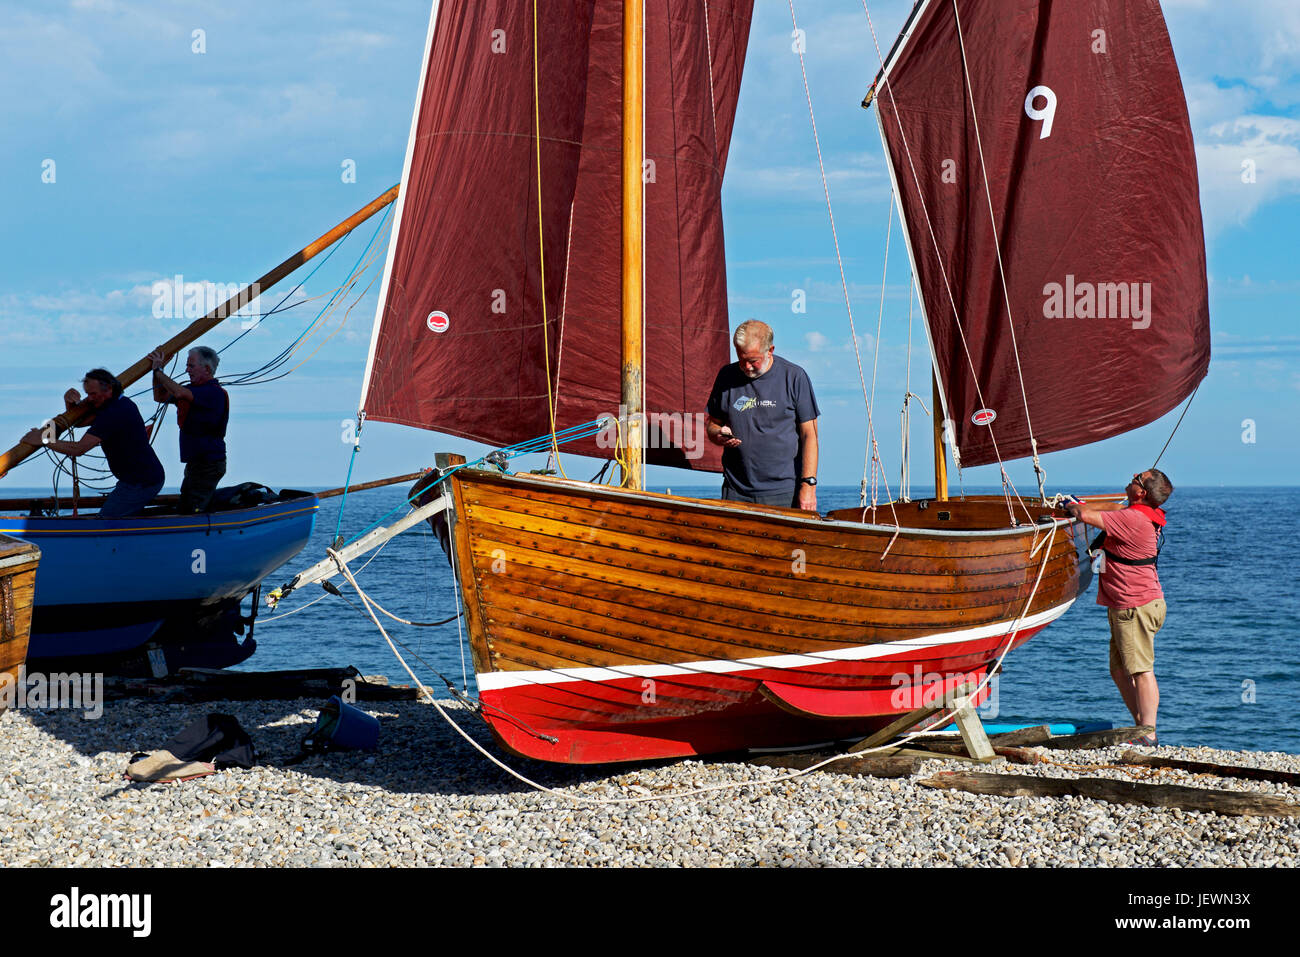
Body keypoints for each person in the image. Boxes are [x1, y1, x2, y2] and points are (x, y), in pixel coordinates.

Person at [1064, 468, 1174, 746]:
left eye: (1138, 478)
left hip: (1135, 606)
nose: (1133, 476)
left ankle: (1147, 733)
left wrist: (1071, 506)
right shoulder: (1136, 513)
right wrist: (1081, 503)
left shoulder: (1133, 519)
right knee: (1118, 670)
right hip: (1128, 604)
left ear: (1142, 492)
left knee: (1141, 670)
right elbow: (1115, 507)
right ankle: (1140, 729)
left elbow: (1085, 516)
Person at [705, 319, 820, 510]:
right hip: (735, 491)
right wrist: (718, 434)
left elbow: (810, 435)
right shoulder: (726, 376)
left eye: (753, 361)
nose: (746, 367)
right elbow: (712, 425)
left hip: (784, 492)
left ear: (770, 350)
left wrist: (808, 486)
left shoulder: (794, 377)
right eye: (741, 360)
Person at [20, 369, 165, 518]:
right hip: (133, 479)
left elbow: (78, 448)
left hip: (143, 481)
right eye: (87, 394)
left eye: (93, 394)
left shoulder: (116, 412)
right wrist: (69, 405)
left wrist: (44, 440)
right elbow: (80, 422)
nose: (89, 399)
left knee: (106, 521)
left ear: (108, 389)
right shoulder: (112, 404)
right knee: (112, 518)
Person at [149, 345, 230, 514]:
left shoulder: (213, 392)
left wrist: (158, 370)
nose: (187, 370)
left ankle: (200, 535)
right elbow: (159, 396)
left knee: (193, 509)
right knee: (188, 505)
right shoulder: (192, 390)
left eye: (191, 366)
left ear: (206, 369)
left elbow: (179, 393)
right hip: (197, 462)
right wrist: (156, 373)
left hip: (209, 463)